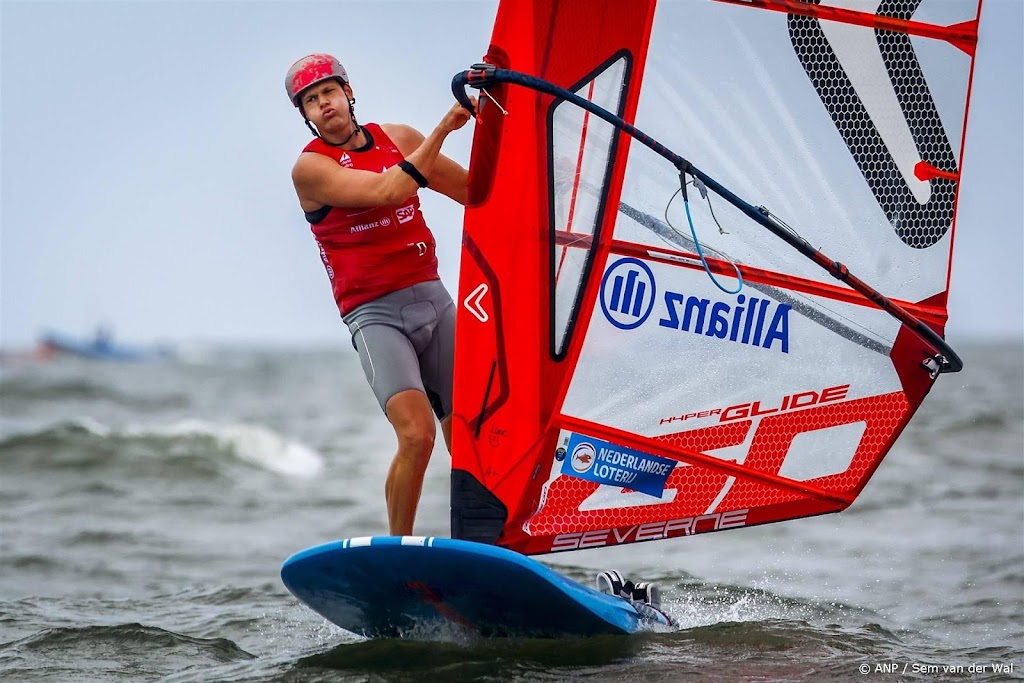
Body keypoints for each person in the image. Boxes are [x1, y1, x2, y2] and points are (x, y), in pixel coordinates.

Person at [285, 53, 475, 537]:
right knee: (417, 435)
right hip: (375, 317)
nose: (323, 103)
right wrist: (445, 129)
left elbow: (476, 192)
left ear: (348, 93)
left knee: (471, 437)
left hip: (435, 301)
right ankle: (398, 550)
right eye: (310, 100)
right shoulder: (310, 169)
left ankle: (488, 542)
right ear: (305, 115)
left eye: (328, 91)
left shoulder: (401, 140)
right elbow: (389, 190)